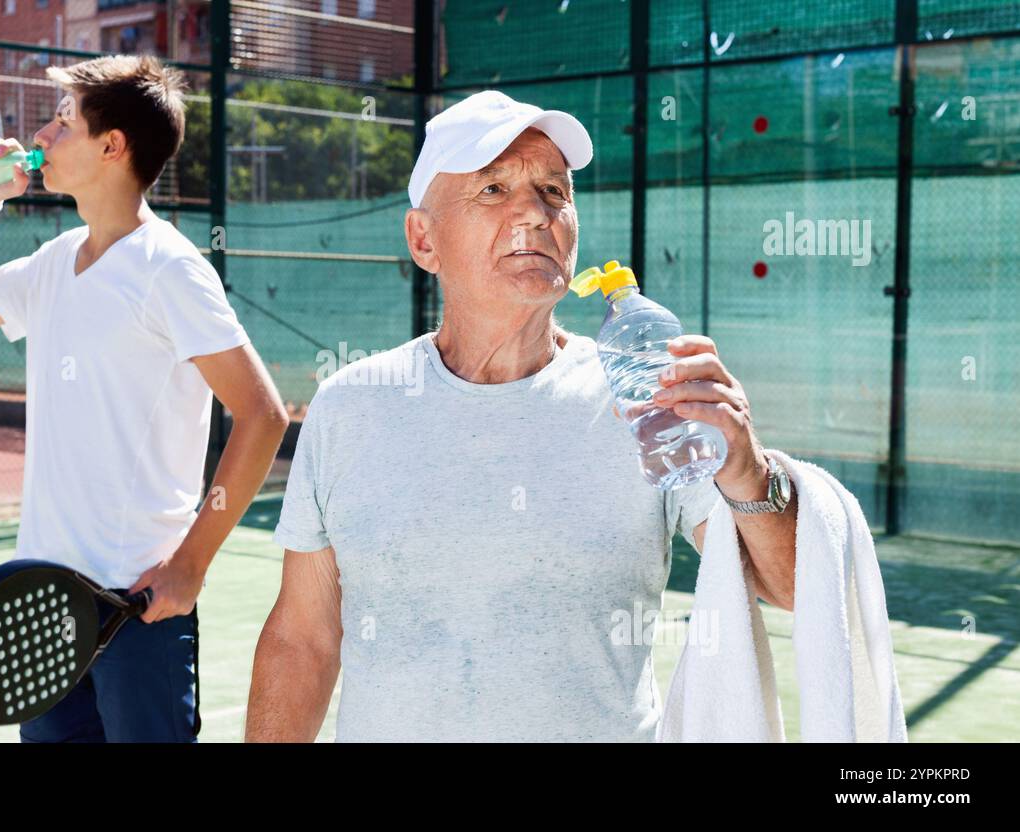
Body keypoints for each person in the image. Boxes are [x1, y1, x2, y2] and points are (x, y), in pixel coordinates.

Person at [245, 90, 799, 742]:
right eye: (493, 189)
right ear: (424, 238)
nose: (533, 214)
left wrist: (747, 470)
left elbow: (787, 586)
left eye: (554, 192)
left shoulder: (647, 396)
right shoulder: (350, 407)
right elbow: (303, 640)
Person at [0, 55, 289, 742]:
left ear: (112, 146)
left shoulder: (170, 268)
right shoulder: (55, 262)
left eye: (63, 124)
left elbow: (264, 416)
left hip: (139, 608)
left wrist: (189, 565)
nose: (43, 136)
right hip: (43, 602)